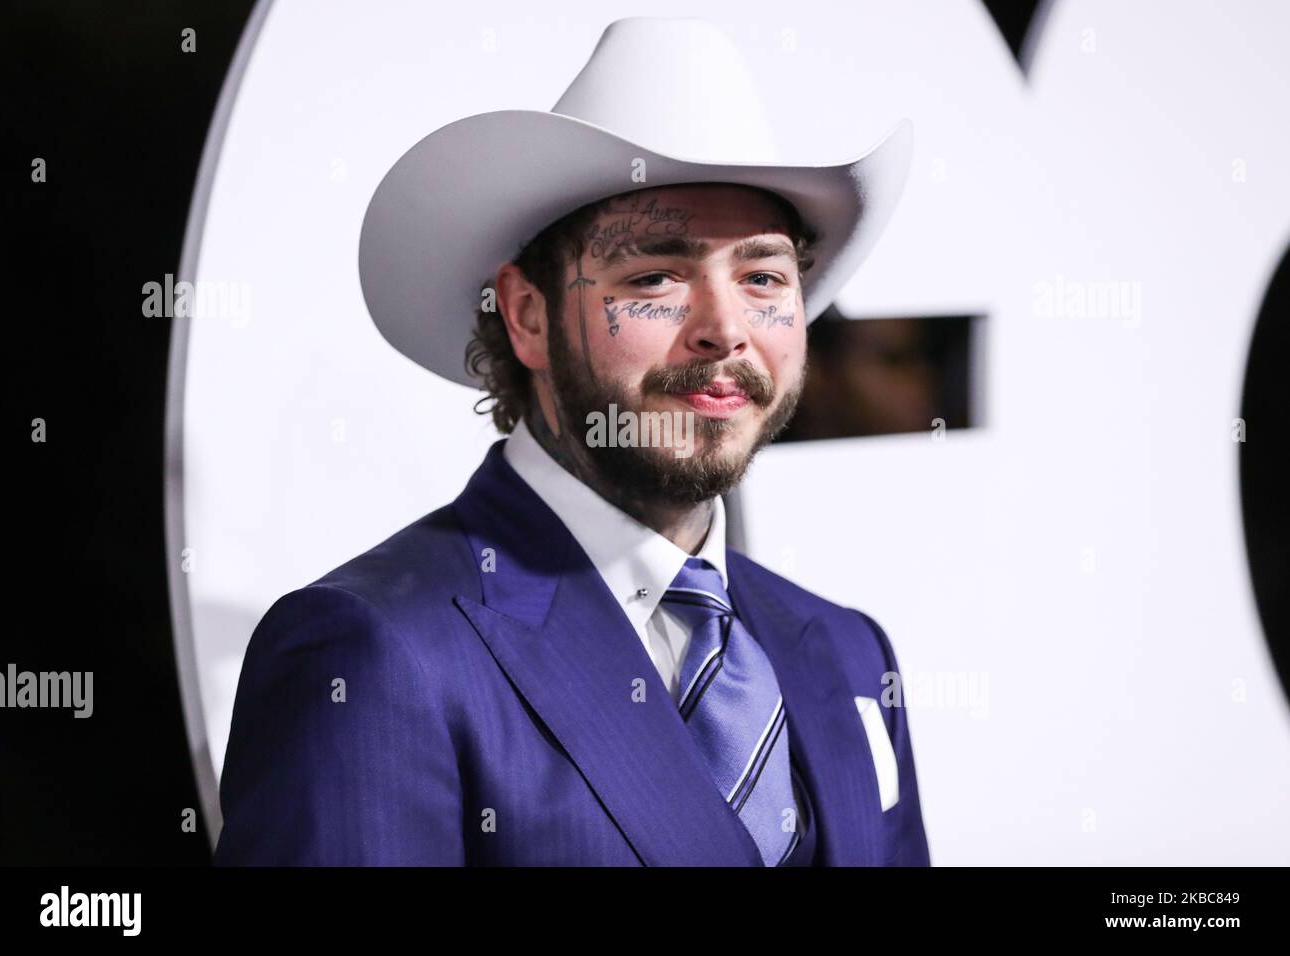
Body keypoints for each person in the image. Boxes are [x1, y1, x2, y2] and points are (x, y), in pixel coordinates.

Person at [214, 16, 930, 866]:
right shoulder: (375, 654)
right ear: (526, 315)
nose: (725, 330)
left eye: (764, 277)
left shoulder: (847, 649)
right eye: (655, 277)